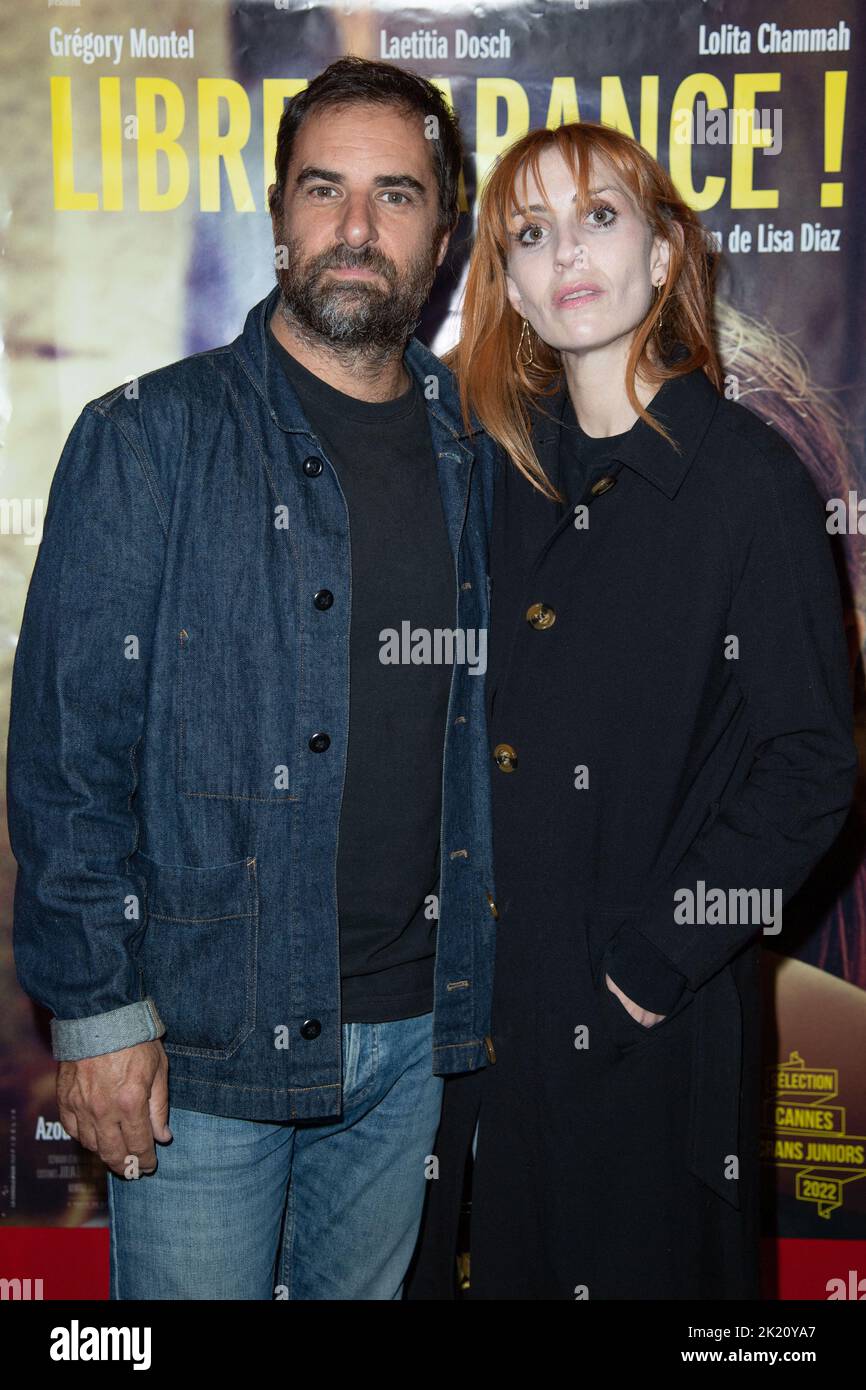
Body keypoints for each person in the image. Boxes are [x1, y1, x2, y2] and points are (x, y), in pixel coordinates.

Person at [7, 57, 500, 1300]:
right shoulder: (146, 437)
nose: (352, 227)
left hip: (410, 1041)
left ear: (441, 235)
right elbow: (69, 749)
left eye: (393, 196)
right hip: (198, 1048)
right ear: (275, 214)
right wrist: (98, 1015)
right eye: (321, 189)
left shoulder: (478, 457)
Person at [405, 120, 858, 1300]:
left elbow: (810, 763)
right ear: (503, 281)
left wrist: (655, 964)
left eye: (598, 216)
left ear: (663, 255)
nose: (567, 252)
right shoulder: (490, 475)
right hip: (478, 1031)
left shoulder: (747, 482)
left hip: (646, 1033)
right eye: (530, 232)